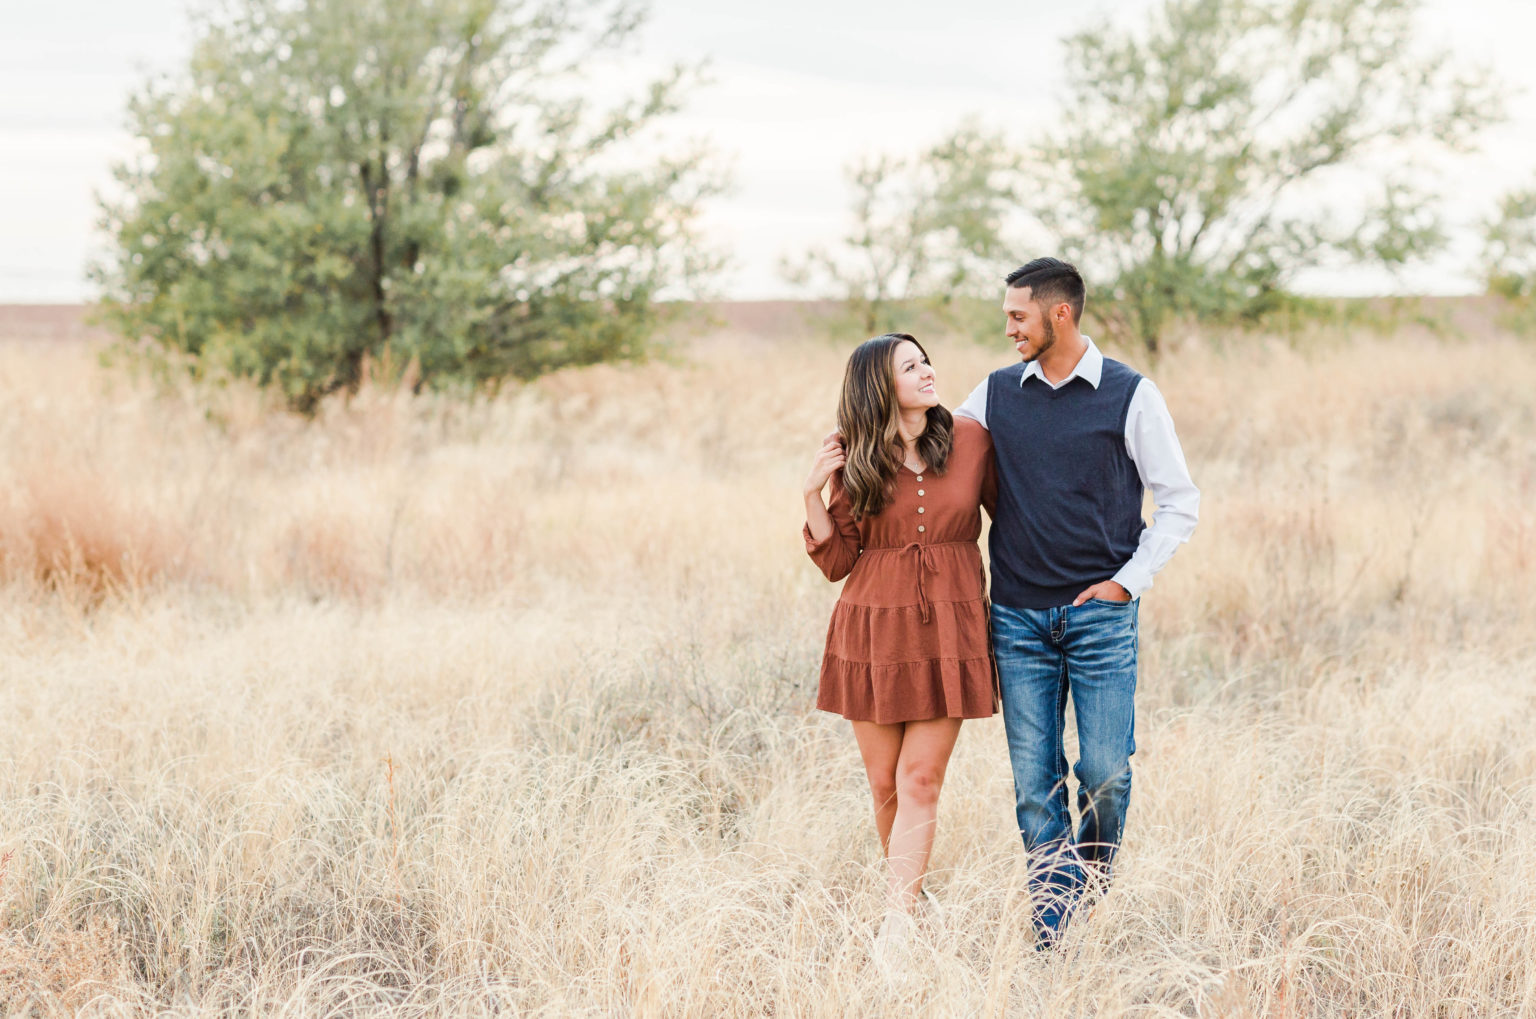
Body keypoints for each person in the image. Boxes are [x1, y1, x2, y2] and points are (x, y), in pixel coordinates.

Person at [953, 257, 1200, 948]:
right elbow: (933, 444)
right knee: (1035, 785)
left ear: (1059, 314)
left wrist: (1128, 580)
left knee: (1105, 775)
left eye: (1017, 316)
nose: (1007, 329)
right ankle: (1052, 927)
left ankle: (1089, 888)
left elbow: (1181, 501)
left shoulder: (1130, 393)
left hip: (1100, 618)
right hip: (1018, 619)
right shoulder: (996, 393)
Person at [802, 332, 997, 965]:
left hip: (952, 627)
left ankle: (896, 926)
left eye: (924, 360)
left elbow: (1015, 518)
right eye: (909, 367)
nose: (927, 372)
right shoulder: (858, 458)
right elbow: (836, 561)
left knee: (921, 777)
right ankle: (908, 903)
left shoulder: (971, 439)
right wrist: (813, 494)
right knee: (884, 783)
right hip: (872, 629)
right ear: (880, 388)